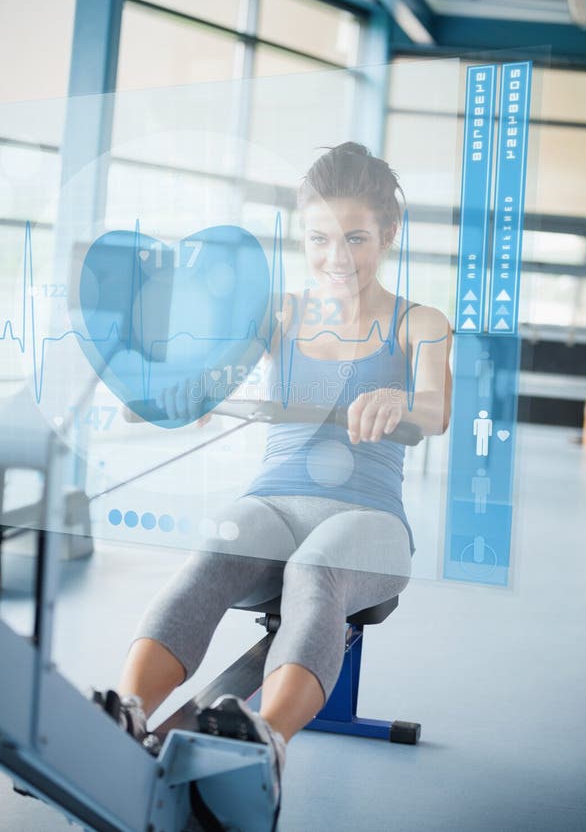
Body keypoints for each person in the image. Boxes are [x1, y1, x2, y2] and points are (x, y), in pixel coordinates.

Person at [93, 142, 452, 815]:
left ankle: (266, 744)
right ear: (301, 236)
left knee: (316, 570)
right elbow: (209, 375)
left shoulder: (420, 324)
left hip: (367, 522)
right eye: (319, 239)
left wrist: (404, 403)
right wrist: (167, 394)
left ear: (389, 235)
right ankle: (130, 713)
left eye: (356, 238)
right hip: (272, 505)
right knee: (219, 545)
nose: (337, 257)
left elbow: (435, 408)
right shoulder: (279, 313)